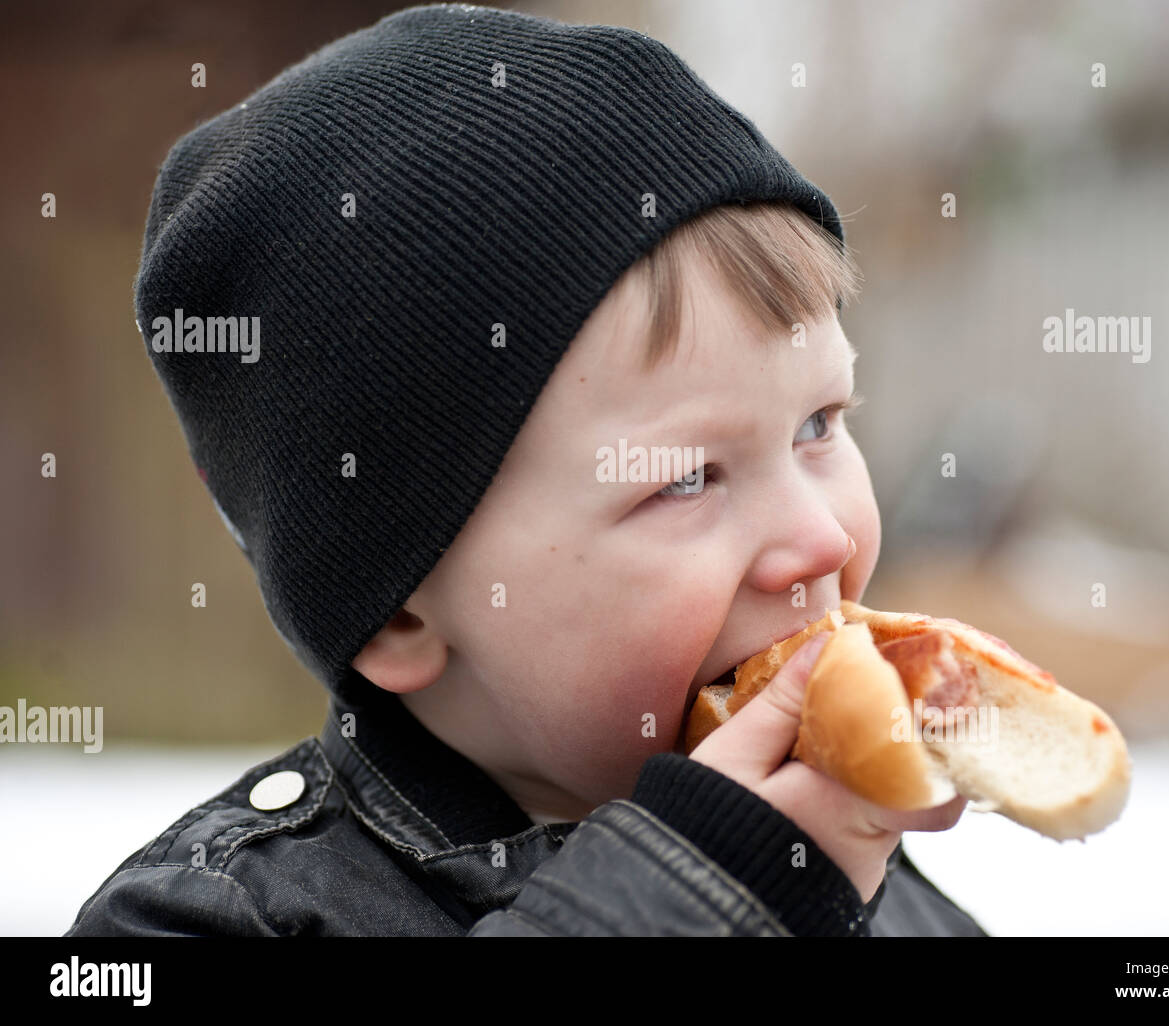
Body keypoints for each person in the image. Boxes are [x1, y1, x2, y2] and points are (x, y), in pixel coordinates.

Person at [67, 2, 985, 937]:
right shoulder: (213, 918)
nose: (821, 538)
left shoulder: (883, 895)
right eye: (685, 478)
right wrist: (701, 902)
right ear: (402, 609)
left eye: (818, 425)